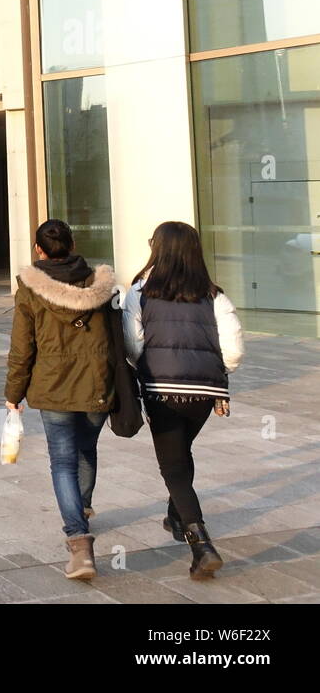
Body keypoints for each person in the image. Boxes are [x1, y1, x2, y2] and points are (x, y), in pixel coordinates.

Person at [123, 221, 243, 581]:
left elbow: (132, 345)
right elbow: (234, 351)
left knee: (172, 465)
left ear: (157, 249)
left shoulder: (140, 292)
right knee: (181, 452)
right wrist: (215, 373)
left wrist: (146, 366)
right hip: (204, 394)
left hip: (162, 391)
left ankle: (200, 541)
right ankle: (176, 516)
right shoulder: (214, 295)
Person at [5, 219, 124, 581]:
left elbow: (22, 346)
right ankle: (82, 507)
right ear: (72, 245)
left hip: (53, 386)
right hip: (96, 384)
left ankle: (78, 538)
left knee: (62, 461)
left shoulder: (29, 288)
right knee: (86, 450)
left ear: (39, 250)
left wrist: (14, 393)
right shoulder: (99, 284)